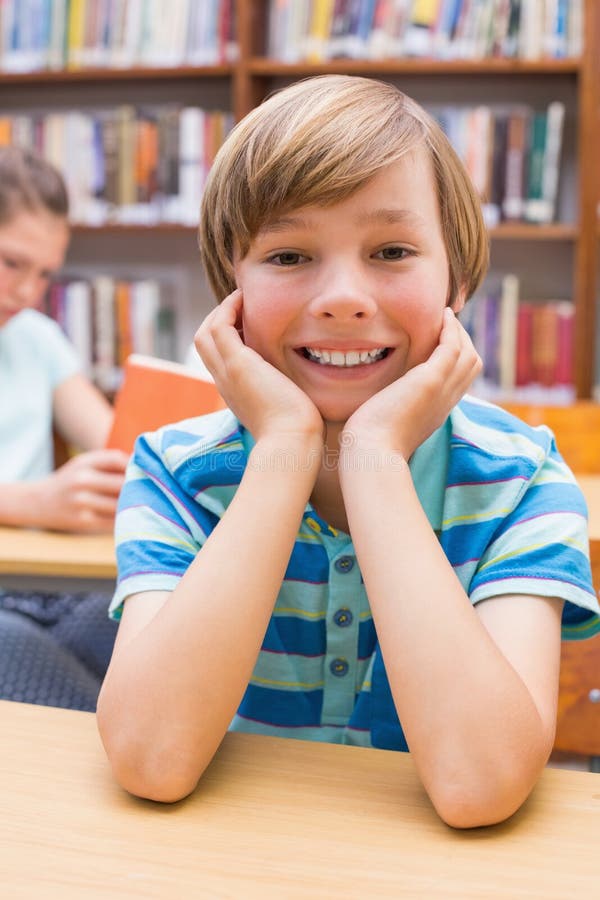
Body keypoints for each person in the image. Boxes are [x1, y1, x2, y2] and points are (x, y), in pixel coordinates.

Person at [97, 76, 600, 827]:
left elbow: (481, 785)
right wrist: (285, 446)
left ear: (457, 279)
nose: (342, 297)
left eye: (392, 250)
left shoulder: (521, 480)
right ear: (227, 288)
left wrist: (376, 455)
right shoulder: (176, 472)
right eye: (290, 255)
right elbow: (151, 759)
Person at [0, 146, 128, 711]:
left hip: (55, 588)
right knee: (88, 712)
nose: (27, 292)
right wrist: (35, 501)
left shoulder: (37, 336)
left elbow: (117, 444)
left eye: (46, 273)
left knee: (181, 621)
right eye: (11, 263)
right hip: (9, 603)